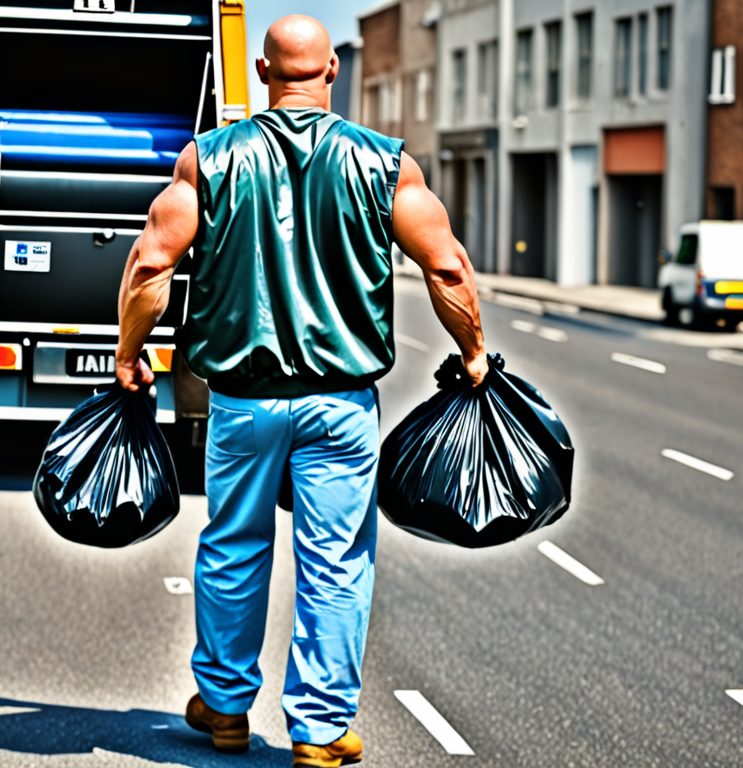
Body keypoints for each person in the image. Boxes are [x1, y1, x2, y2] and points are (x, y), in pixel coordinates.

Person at [115, 14, 487, 768]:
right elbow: (446, 269)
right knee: (336, 562)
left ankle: (223, 707)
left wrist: (130, 354)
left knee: (233, 545)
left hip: (244, 402)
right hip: (340, 405)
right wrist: (474, 352)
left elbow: (152, 265)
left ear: (262, 70)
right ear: (331, 74)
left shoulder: (208, 160)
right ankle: (318, 732)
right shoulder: (385, 165)